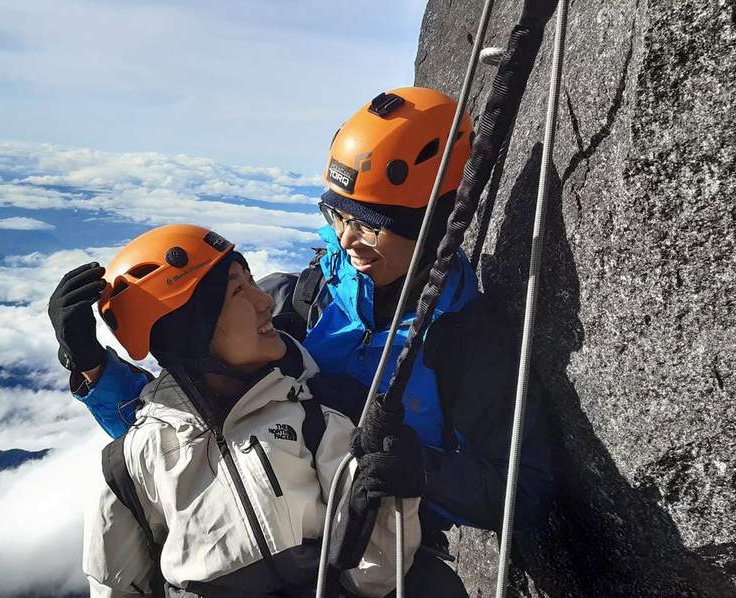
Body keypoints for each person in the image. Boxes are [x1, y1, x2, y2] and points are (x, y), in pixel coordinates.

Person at [54, 87, 553, 563]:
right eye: (337, 215)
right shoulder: (308, 295)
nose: (347, 239)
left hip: (374, 551)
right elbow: (190, 430)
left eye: (370, 224)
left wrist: (420, 470)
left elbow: (524, 491)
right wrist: (94, 368)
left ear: (435, 222)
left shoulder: (464, 340)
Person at [81, 224, 423, 597]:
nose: (264, 302)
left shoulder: (319, 412)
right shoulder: (131, 462)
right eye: (237, 291)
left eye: (252, 282)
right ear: (190, 331)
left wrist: (394, 500)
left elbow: (373, 580)